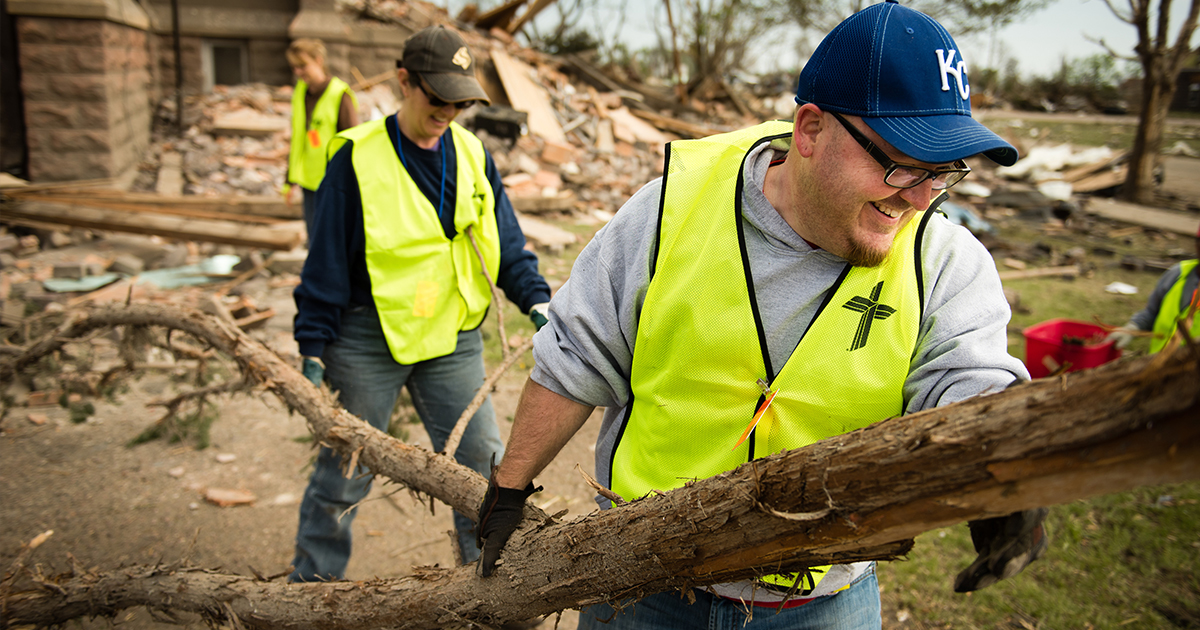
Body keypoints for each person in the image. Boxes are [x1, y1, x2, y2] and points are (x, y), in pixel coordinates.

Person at [475, 1, 1047, 627]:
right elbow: (578, 355)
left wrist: (1003, 465)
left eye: (941, 173)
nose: (919, 198)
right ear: (811, 130)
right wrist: (510, 488)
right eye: (901, 164)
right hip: (641, 585)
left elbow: (966, 380)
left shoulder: (944, 261)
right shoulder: (671, 212)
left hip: (823, 602)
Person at [289, 25, 551, 583]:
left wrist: (537, 299)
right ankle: (308, 591)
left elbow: (506, 242)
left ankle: (488, 591)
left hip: (450, 335)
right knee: (345, 472)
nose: (448, 112)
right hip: (367, 338)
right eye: (438, 97)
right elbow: (326, 259)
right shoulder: (356, 157)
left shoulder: (472, 153)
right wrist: (312, 342)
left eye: (460, 102)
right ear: (404, 81)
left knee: (481, 470)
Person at [285, 38, 359, 238]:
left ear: (318, 60)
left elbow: (352, 144)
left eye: (302, 66)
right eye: (294, 67)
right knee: (314, 239)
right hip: (309, 182)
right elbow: (298, 138)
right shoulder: (301, 91)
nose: (298, 72)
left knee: (332, 239)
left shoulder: (339, 95)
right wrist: (289, 179)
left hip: (333, 184)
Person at [1108, 224, 1200, 353]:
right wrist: (1132, 328)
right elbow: (1152, 312)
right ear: (1196, 244)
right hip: (1157, 361)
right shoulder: (1179, 273)